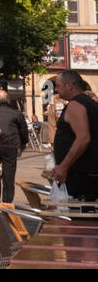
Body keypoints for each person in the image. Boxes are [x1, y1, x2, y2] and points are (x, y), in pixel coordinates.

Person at [50, 70, 98, 202]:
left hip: (81, 177)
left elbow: (83, 139)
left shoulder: (76, 105)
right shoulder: (90, 103)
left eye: (58, 85)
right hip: (87, 174)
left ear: (69, 85)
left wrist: (63, 167)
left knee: (80, 220)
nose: (56, 88)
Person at [0, 89, 30, 204]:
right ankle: (7, 202)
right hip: (10, 146)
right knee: (9, 176)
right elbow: (23, 130)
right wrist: (23, 143)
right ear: (8, 100)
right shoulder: (16, 113)